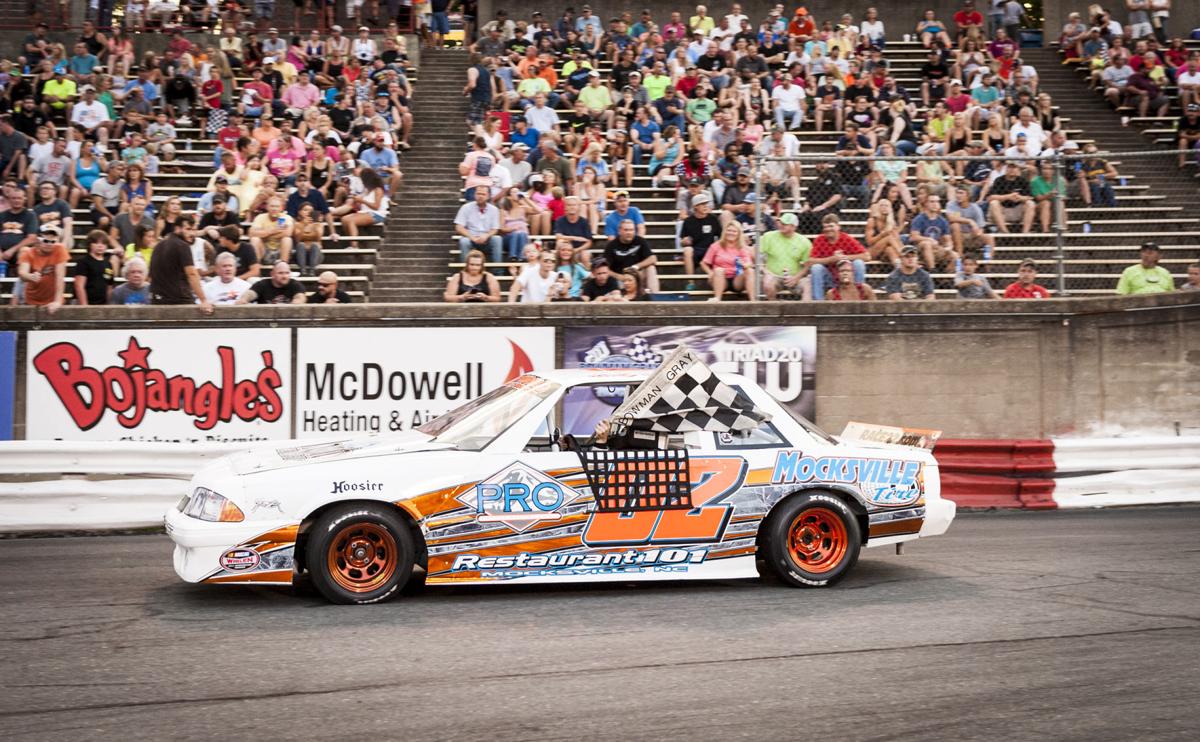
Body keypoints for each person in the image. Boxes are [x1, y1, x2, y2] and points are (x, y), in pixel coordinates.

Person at [148, 214, 213, 312]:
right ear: (177, 228)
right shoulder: (182, 246)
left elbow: (150, 276)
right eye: (188, 229)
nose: (192, 234)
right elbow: (192, 274)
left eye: (194, 230)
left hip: (156, 301)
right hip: (178, 301)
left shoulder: (158, 245)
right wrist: (203, 300)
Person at [808, 214, 870, 302]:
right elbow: (810, 261)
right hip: (830, 277)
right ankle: (818, 302)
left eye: (831, 226)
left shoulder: (846, 238)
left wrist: (844, 257)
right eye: (825, 227)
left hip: (848, 276)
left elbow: (867, 256)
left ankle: (858, 295)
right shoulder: (820, 240)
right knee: (816, 268)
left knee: (858, 263)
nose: (828, 229)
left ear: (838, 227)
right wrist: (831, 259)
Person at [15, 224, 68, 311]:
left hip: (52, 300)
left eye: (53, 241)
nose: (49, 244)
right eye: (46, 241)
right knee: (33, 324)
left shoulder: (60, 249)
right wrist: (30, 276)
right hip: (31, 299)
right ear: (38, 241)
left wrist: (57, 301)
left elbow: (60, 277)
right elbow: (22, 273)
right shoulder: (28, 253)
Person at [760, 213, 812, 301]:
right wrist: (766, 271)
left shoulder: (804, 242)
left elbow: (808, 265)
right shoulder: (768, 236)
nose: (781, 225)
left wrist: (796, 277)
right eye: (781, 223)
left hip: (794, 277)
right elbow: (757, 256)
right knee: (768, 283)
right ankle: (773, 308)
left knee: (807, 285)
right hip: (773, 275)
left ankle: (804, 312)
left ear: (794, 227)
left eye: (785, 224)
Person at [700, 221, 756, 302]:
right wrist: (711, 273)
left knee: (750, 271)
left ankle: (753, 300)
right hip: (720, 278)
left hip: (737, 279)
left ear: (738, 234)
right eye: (729, 230)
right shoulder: (716, 246)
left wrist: (743, 264)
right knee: (719, 270)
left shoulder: (742, 247)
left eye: (734, 231)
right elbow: (703, 263)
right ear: (725, 232)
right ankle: (717, 298)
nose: (731, 233)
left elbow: (749, 263)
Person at [603, 219, 659, 293]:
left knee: (651, 268)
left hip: (637, 275)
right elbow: (604, 269)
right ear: (619, 231)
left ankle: (654, 296)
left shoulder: (640, 241)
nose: (629, 232)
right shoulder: (611, 246)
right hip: (621, 279)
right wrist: (619, 276)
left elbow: (653, 258)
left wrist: (636, 267)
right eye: (626, 230)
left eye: (631, 230)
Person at [454, 185, 502, 263]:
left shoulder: (494, 210)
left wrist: (486, 235)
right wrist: (472, 237)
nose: (480, 196)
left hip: (487, 240)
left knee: (497, 239)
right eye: (478, 194)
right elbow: (459, 227)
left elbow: (495, 229)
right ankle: (466, 270)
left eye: (483, 194)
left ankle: (498, 271)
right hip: (471, 239)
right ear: (474, 195)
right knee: (464, 241)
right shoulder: (466, 208)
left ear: (488, 196)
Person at [73, 229, 120, 306]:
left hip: (102, 305)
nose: (100, 246)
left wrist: (108, 306)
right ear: (89, 244)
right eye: (96, 243)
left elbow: (109, 287)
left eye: (103, 243)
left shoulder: (108, 264)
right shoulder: (83, 262)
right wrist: (84, 306)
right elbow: (79, 286)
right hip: (84, 305)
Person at [249, 196, 295, 264]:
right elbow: (252, 233)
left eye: (277, 206)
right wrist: (273, 231)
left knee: (287, 239)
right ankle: (256, 267)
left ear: (282, 208)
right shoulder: (260, 217)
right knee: (254, 239)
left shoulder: (286, 218)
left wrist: (265, 235)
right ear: (267, 207)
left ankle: (283, 266)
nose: (274, 209)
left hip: (280, 250)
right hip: (265, 250)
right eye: (272, 206)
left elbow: (288, 233)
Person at [237, 260, 307, 304]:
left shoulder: (295, 284)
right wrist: (244, 299)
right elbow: (251, 293)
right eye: (280, 273)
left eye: (287, 273)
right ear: (272, 274)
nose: (284, 276)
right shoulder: (262, 284)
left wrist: (297, 302)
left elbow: (300, 297)